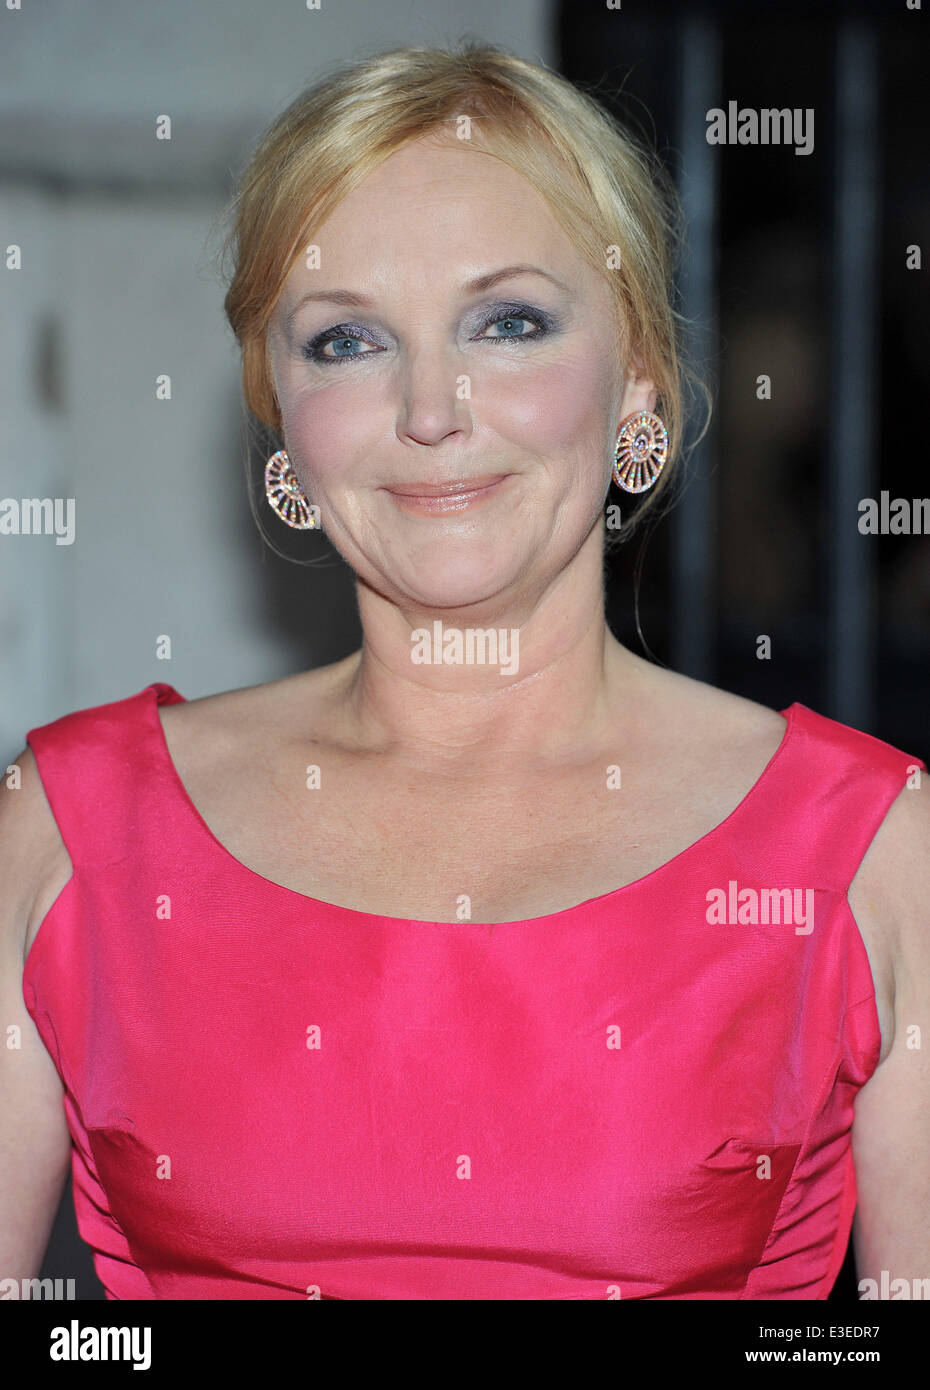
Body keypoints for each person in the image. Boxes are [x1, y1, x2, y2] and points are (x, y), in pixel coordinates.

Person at [2, 42, 927, 1302]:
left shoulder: (874, 852)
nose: (431, 407)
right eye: (346, 341)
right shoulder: (63, 826)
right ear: (278, 412)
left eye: (509, 323)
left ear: (638, 387)